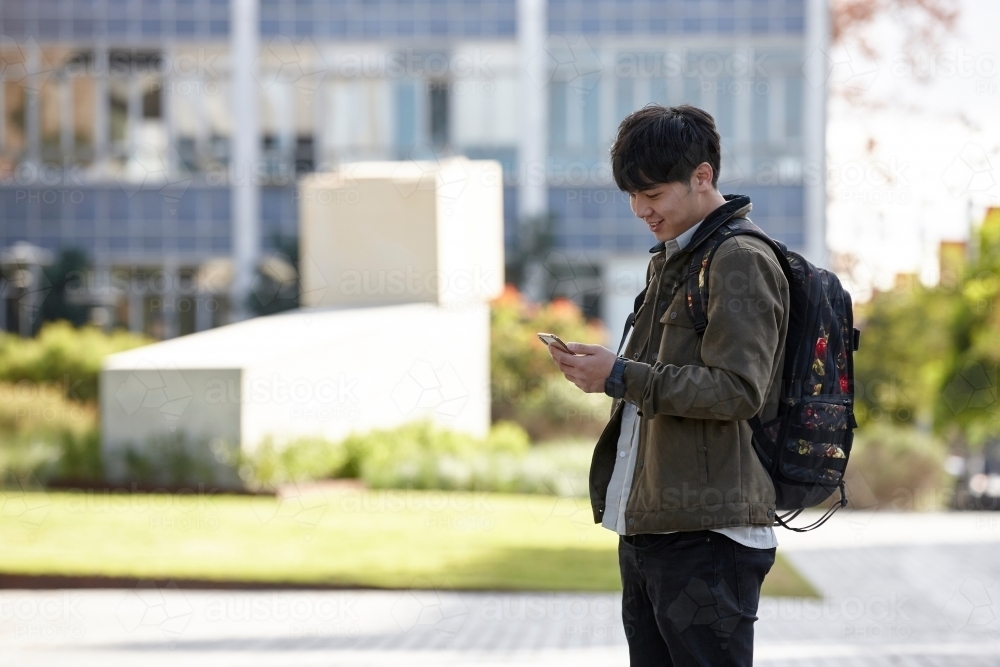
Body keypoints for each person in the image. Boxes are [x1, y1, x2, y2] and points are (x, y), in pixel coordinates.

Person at [546, 104, 789, 666]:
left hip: (707, 537)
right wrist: (607, 373)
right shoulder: (676, 261)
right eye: (632, 196)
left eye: (652, 194)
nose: (640, 210)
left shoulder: (739, 260)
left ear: (702, 177)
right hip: (653, 526)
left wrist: (619, 374)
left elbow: (737, 389)